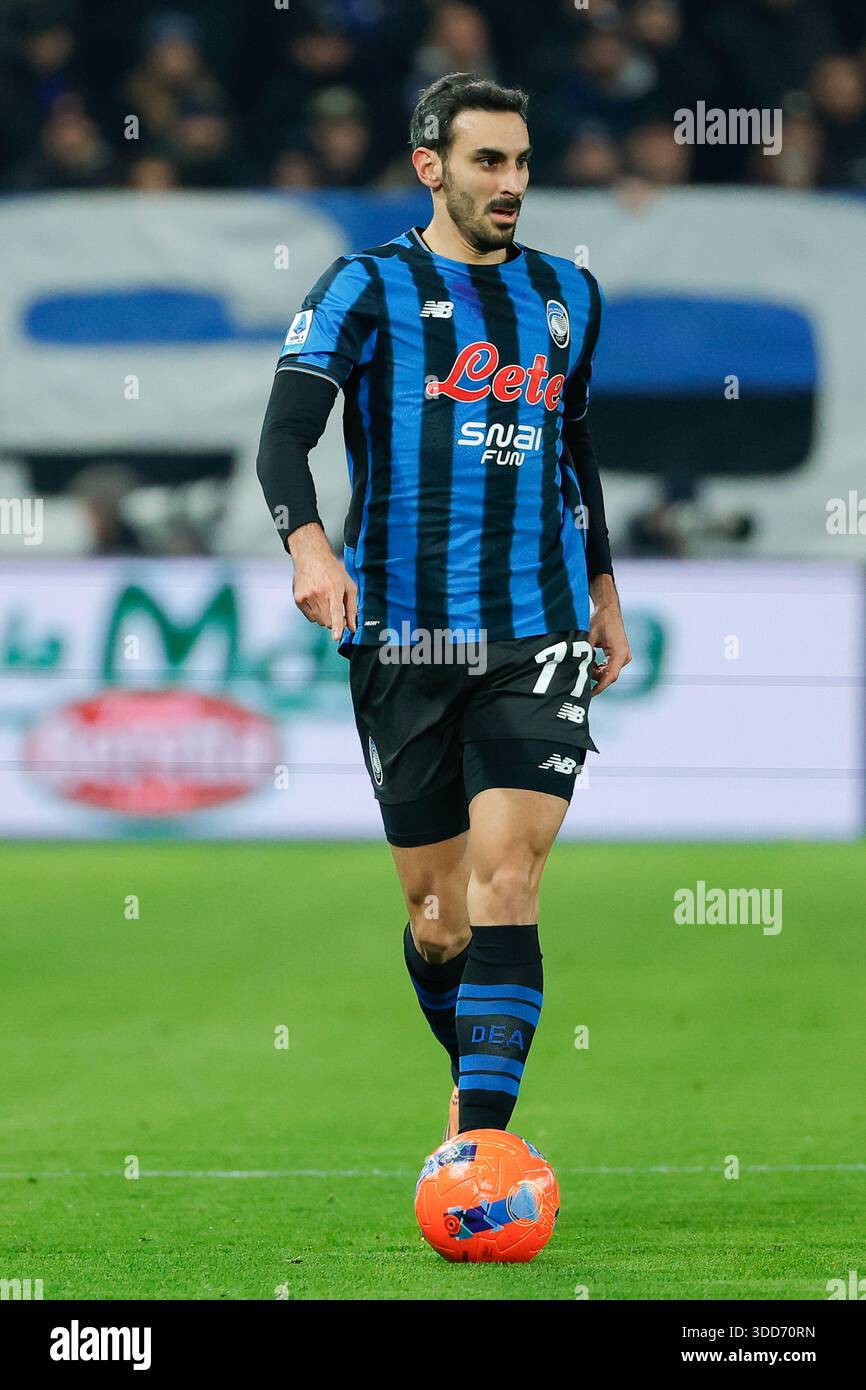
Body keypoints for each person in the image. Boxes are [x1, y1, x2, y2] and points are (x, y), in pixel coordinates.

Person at [256, 72, 631, 1141]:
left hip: (539, 627)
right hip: (406, 633)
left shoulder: (567, 297)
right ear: (430, 168)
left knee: (509, 873)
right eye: (486, 162)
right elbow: (284, 434)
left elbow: (574, 449)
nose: (511, 184)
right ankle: (472, 1079)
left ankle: (479, 1145)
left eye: (520, 161)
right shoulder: (362, 288)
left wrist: (603, 588)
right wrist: (309, 547)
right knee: (438, 917)